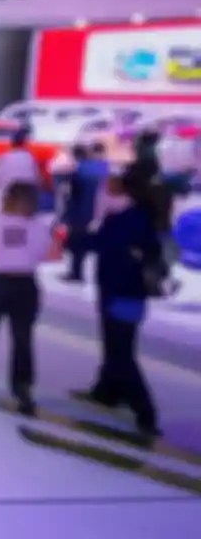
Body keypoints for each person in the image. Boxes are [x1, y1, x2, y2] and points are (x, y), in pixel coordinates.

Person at [0, 183, 63, 414]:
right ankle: (22, 386)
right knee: (22, 338)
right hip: (24, 284)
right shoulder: (38, 228)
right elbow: (52, 255)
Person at [75, 174, 162, 437]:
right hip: (131, 292)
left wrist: (74, 238)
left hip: (118, 290)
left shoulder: (121, 220)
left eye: (111, 187)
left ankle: (145, 411)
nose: (105, 191)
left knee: (121, 351)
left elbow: (101, 244)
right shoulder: (144, 218)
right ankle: (107, 391)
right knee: (117, 345)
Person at [59, 144, 109, 283]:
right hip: (99, 211)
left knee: (77, 245)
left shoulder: (78, 171)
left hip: (80, 213)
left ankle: (76, 273)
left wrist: (66, 216)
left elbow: (72, 196)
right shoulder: (100, 168)